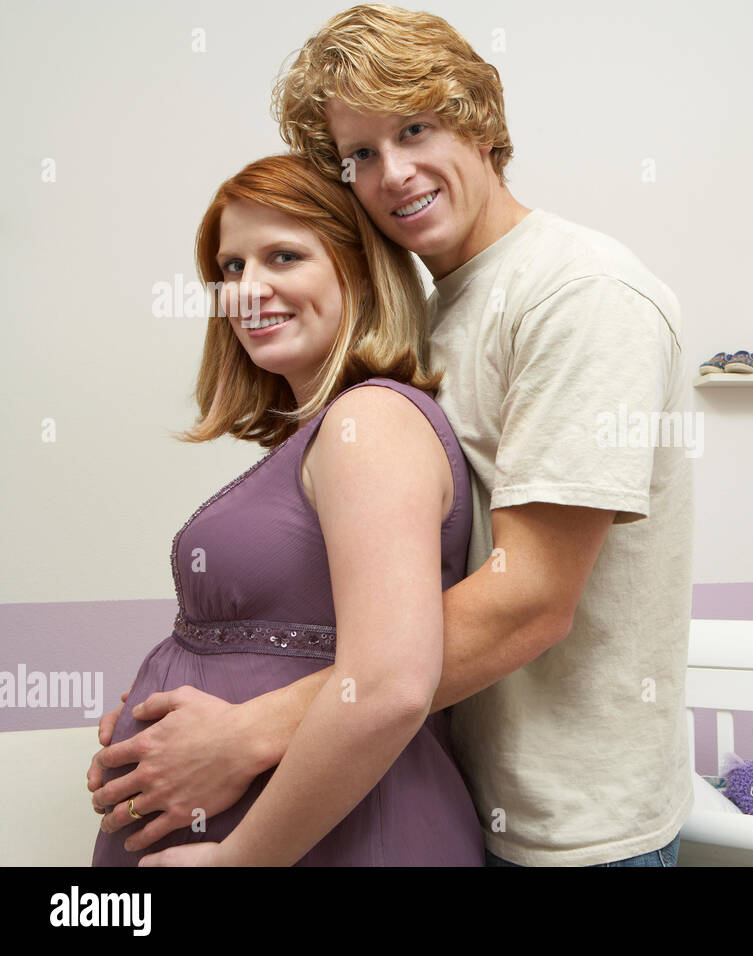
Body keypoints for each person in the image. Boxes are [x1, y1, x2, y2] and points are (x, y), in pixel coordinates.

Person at [90, 2, 695, 867]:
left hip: (571, 830)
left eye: (415, 129)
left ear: (482, 123)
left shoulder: (582, 295)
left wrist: (248, 731)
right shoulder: (434, 311)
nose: (394, 172)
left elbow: (530, 601)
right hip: (461, 784)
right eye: (361, 153)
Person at [91, 151, 484, 866]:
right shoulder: (322, 433)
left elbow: (391, 686)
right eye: (231, 268)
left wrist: (235, 861)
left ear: (358, 269)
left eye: (282, 256)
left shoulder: (372, 424)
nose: (247, 289)